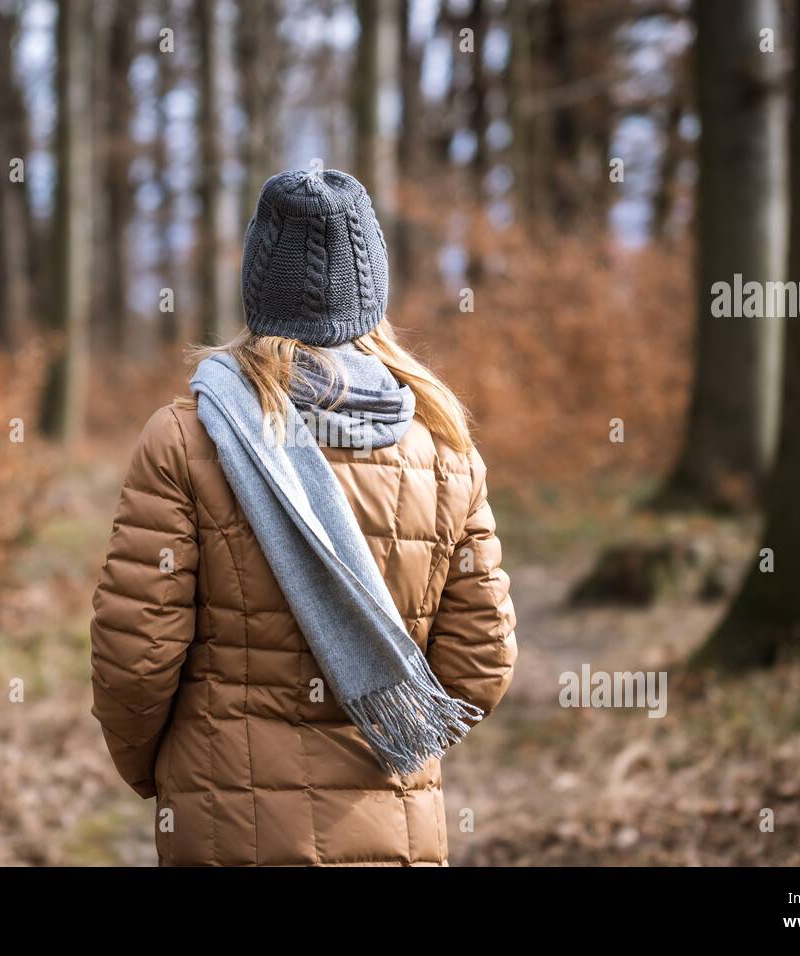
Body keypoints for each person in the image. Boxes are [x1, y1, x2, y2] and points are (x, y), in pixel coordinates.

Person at [89, 168, 517, 866]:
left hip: (228, 824)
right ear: (371, 291)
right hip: (393, 822)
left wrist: (159, 771)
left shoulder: (185, 436)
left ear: (258, 287)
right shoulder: (445, 445)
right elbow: (482, 659)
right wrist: (397, 736)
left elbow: (135, 658)